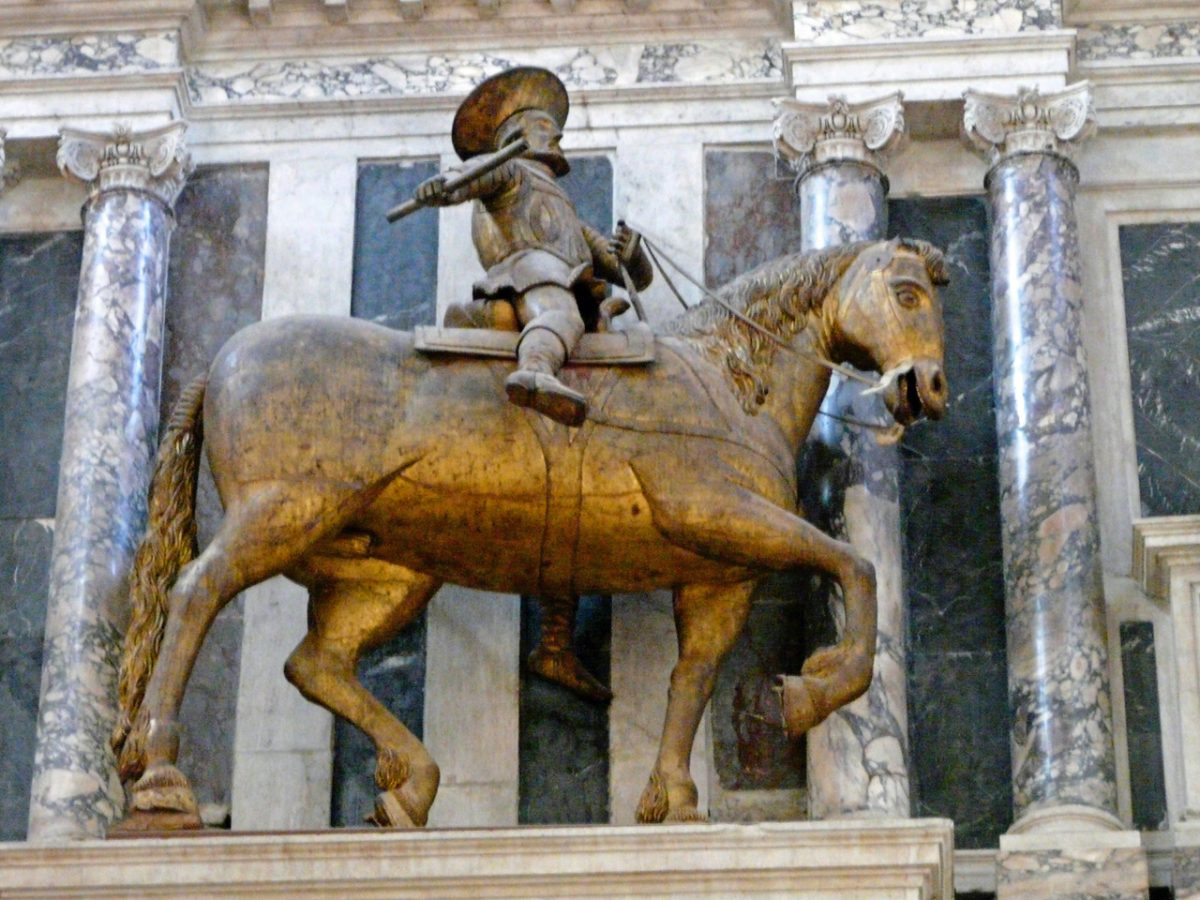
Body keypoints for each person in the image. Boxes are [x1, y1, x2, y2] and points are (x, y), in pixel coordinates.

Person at [415, 66, 652, 428]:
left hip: (564, 279)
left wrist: (631, 254)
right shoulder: (510, 172)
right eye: (545, 128)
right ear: (515, 138)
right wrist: (442, 186)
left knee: (577, 313)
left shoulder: (565, 207)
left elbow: (624, 271)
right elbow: (470, 177)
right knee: (563, 316)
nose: (556, 134)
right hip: (530, 273)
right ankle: (535, 372)